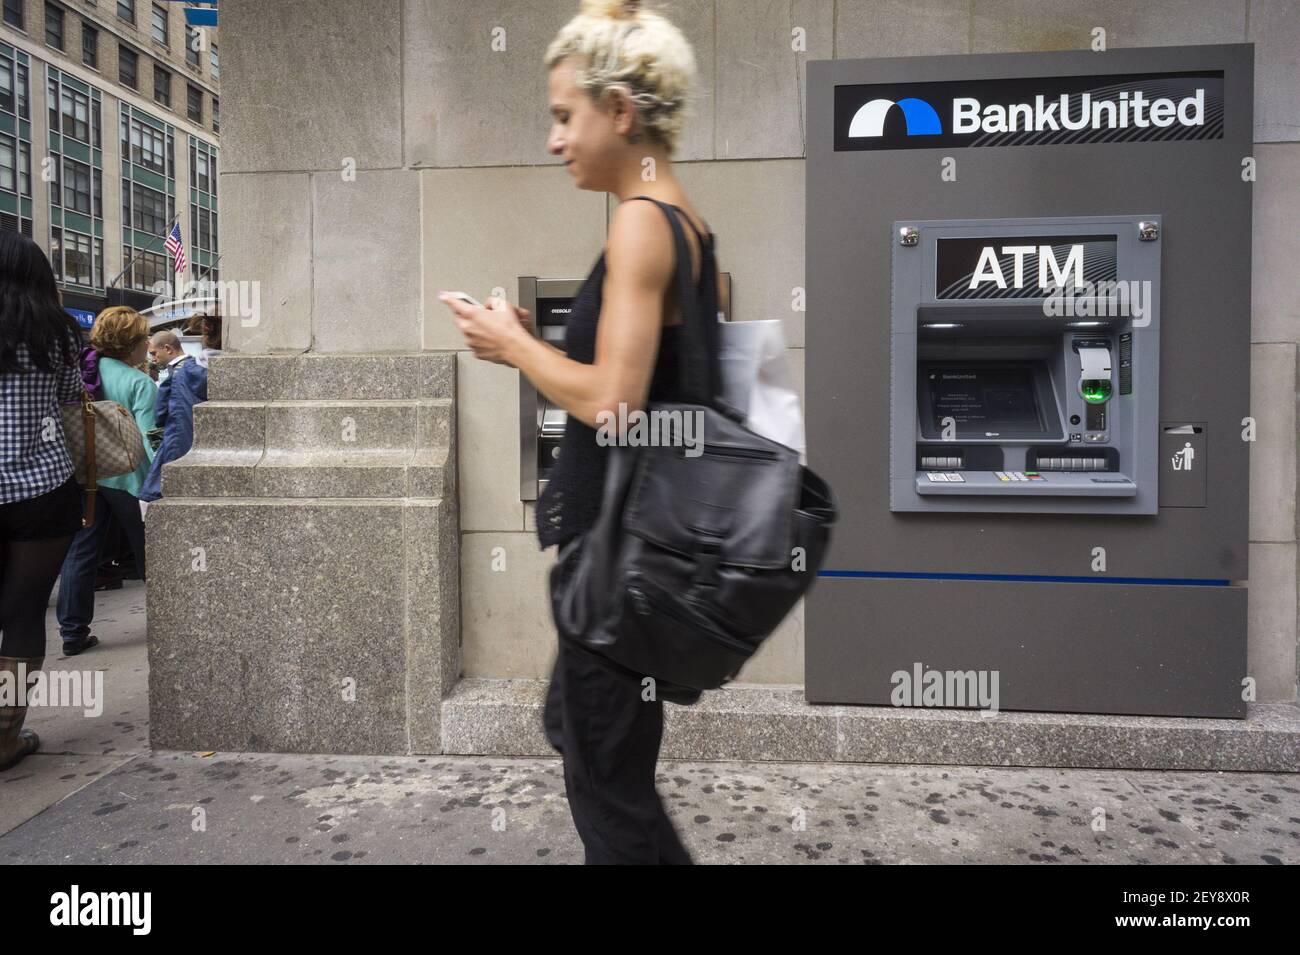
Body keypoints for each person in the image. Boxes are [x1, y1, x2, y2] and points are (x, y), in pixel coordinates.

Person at [441, 0, 728, 864]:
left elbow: (614, 403)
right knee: (578, 730)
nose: (556, 139)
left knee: (607, 787)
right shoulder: (689, 227)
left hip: (620, 560)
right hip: (644, 554)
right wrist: (531, 345)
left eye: (566, 115)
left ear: (621, 112)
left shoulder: (642, 225)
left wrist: (516, 346)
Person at [0, 231, 85, 770]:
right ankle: (5, 737)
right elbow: (74, 403)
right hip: (43, 487)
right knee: (24, 610)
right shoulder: (58, 333)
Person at [56, 306, 157, 656]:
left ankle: (72, 631)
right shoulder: (139, 383)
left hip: (89, 476)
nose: (149, 343)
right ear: (133, 343)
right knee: (152, 553)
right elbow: (150, 438)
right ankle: (165, 620)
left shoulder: (81, 372)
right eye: (145, 337)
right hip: (131, 480)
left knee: (81, 552)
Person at [140, 328, 209, 503]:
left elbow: (160, 414)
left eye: (154, 353)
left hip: (178, 438)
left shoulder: (175, 375)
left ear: (168, 349)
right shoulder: (198, 369)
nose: (154, 359)